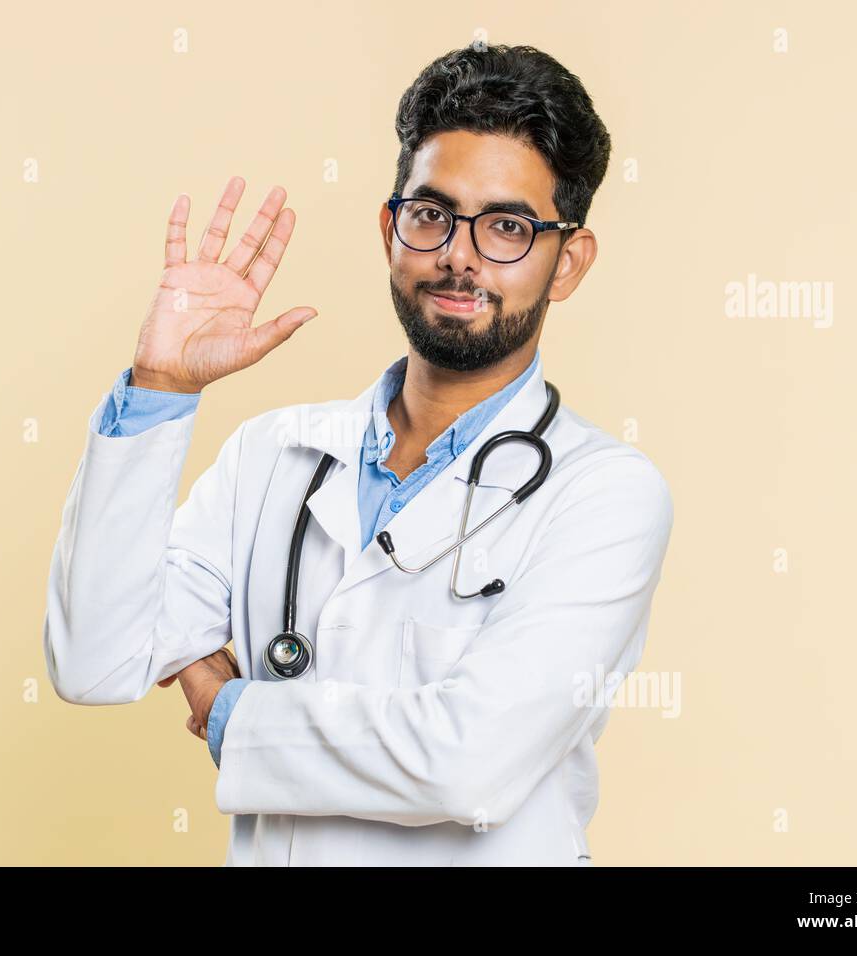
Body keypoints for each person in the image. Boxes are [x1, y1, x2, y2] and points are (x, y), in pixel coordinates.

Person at [43, 44, 674, 866]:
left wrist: (230, 707)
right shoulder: (272, 455)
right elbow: (94, 661)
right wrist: (161, 386)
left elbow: (464, 765)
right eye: (430, 214)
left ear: (569, 264)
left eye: (509, 227)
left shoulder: (606, 495)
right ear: (390, 229)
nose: (459, 254)